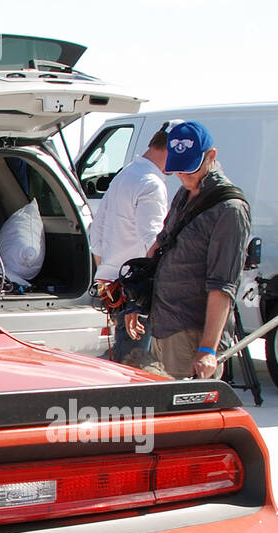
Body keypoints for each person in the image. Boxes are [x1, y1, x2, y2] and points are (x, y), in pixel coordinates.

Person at [125, 121, 251, 380]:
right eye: (178, 170)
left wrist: (207, 349)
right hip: (164, 325)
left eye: (190, 169)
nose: (184, 176)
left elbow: (223, 285)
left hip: (192, 334)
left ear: (211, 156)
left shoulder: (229, 210)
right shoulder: (185, 193)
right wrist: (137, 303)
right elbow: (160, 247)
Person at [92, 125, 170, 365]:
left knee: (121, 362)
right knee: (135, 370)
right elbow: (154, 243)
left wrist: (107, 276)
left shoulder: (126, 174)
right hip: (138, 291)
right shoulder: (151, 183)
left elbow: (96, 234)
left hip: (116, 285)